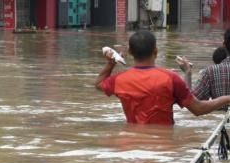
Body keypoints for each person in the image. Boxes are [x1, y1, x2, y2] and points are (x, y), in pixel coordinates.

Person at [95, 30, 230, 125]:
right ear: (156, 51)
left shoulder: (120, 80)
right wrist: (227, 98)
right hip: (164, 145)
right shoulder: (171, 78)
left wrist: (111, 63)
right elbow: (198, 109)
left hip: (130, 144)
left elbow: (99, 84)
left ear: (130, 52)